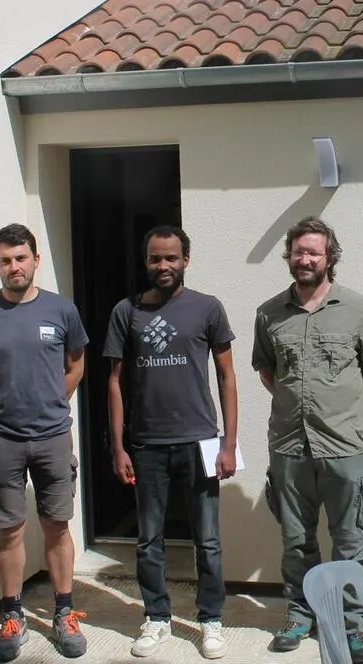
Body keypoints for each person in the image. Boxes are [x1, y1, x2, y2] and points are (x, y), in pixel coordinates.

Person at [252, 216, 363, 663]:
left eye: (313, 251)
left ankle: (358, 624)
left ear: (330, 257)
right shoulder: (269, 313)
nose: (305, 259)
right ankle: (299, 614)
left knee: (350, 542)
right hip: (289, 446)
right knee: (296, 540)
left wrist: (340, 410)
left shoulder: (358, 309)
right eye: (298, 252)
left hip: (344, 446)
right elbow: (268, 372)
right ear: (288, 257)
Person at [0, 223, 89, 662]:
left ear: (35, 259)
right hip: (0, 441)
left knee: (56, 526)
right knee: (9, 531)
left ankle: (64, 613)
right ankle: (13, 616)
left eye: (21, 257)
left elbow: (76, 365)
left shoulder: (62, 311)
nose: (14, 266)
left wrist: (50, 401)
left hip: (51, 438)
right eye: (5, 260)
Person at [103, 225, 238, 660]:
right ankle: (157, 617)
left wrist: (229, 443)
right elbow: (115, 382)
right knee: (149, 539)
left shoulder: (207, 308)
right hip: (147, 444)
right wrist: (118, 446)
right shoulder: (127, 312)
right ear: (146, 261)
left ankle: (210, 619)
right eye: (155, 258)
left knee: (209, 539)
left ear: (186, 260)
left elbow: (227, 377)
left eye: (171, 258)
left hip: (199, 440)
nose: (163, 266)